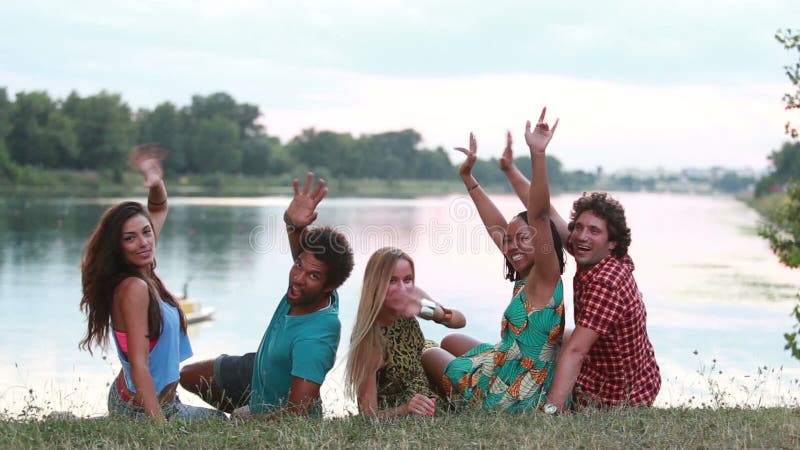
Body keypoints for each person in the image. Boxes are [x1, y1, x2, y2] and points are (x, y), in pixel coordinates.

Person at [422, 108, 566, 411]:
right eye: (510, 240)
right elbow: (496, 228)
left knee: (430, 355)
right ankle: (467, 386)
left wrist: (537, 155)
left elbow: (539, 213)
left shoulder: (545, 274)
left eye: (524, 238)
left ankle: (465, 403)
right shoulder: (528, 273)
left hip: (516, 393)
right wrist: (468, 178)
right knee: (451, 341)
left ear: (542, 241)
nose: (511, 247)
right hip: (507, 360)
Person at [179, 173, 355, 418]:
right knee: (188, 374)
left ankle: (255, 413)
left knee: (243, 418)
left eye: (313, 276)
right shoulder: (309, 288)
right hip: (262, 366)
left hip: (281, 399)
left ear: (330, 286)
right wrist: (293, 223)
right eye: (299, 265)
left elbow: (296, 417)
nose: (298, 278)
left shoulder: (316, 339)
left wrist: (248, 418)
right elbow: (305, 260)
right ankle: (250, 406)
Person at [79, 145, 225, 421]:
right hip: (142, 406)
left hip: (157, 400)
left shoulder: (142, 264)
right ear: (118, 247)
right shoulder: (134, 288)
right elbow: (139, 364)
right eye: (130, 238)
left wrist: (155, 181)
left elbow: (158, 206)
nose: (144, 242)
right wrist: (157, 430)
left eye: (147, 232)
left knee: (218, 421)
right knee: (219, 422)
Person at [542, 191, 661, 412]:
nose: (581, 236)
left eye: (594, 230)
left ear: (612, 242)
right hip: (641, 380)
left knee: (548, 348)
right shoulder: (604, 255)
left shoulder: (605, 284)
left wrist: (551, 411)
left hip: (611, 397)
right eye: (578, 227)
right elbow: (545, 210)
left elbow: (576, 352)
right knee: (554, 335)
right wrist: (510, 170)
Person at [344, 247, 466, 418]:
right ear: (375, 285)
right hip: (424, 398)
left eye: (407, 280)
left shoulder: (410, 303)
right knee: (461, 371)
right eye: (392, 281)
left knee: (453, 340)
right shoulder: (370, 341)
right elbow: (367, 415)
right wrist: (405, 409)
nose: (402, 289)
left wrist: (435, 313)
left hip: (432, 369)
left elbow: (460, 321)